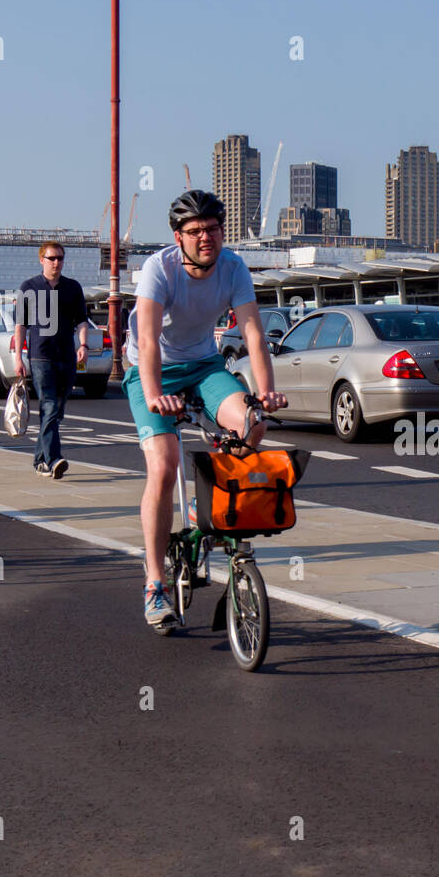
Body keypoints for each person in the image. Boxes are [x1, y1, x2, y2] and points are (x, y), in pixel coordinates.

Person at [125, 190, 287, 632]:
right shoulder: (158, 269)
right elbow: (145, 339)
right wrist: (157, 392)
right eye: (194, 231)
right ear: (178, 237)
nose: (205, 238)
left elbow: (253, 332)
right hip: (151, 370)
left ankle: (205, 507)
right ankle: (155, 583)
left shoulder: (233, 267)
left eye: (212, 229)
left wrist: (266, 393)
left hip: (204, 365)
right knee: (163, 466)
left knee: (253, 425)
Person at [13, 242, 89, 478]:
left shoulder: (73, 288)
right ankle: (54, 458)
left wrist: (83, 344)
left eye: (60, 258)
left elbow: (82, 321)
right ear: (41, 260)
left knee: (56, 412)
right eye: (52, 258)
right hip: (40, 356)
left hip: (66, 356)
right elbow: (21, 325)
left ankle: (39, 460)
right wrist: (18, 357)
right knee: (49, 406)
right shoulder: (29, 287)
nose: (57, 262)